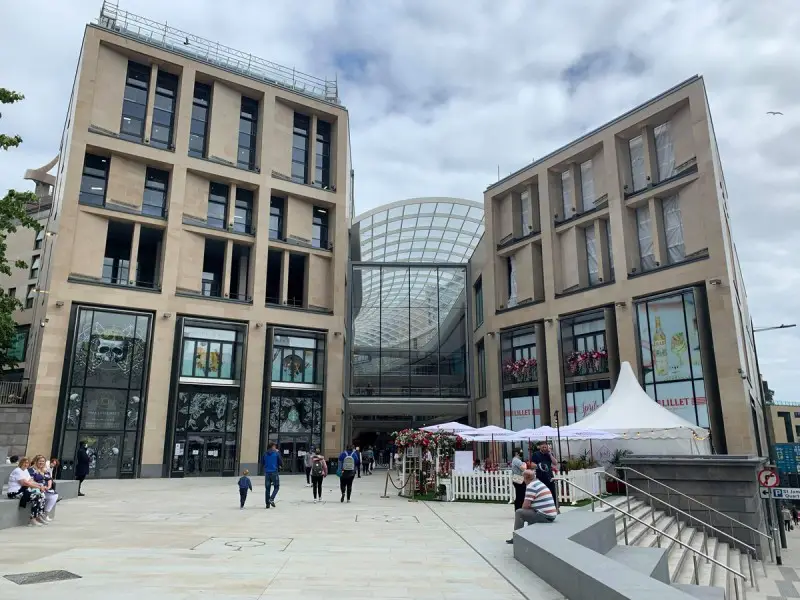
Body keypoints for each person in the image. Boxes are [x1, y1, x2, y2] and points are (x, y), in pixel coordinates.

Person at [506, 470, 557, 544]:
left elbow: (525, 506)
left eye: (524, 478)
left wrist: (526, 511)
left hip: (545, 516)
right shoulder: (538, 483)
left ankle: (516, 538)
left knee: (519, 513)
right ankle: (530, 536)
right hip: (550, 514)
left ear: (527, 478)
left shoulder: (531, 486)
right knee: (529, 513)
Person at [7, 457, 47, 526]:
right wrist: (39, 487)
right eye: (24, 462)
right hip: (14, 493)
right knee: (36, 496)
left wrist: (40, 486)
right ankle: (32, 519)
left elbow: (30, 480)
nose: (26, 464)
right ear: (21, 463)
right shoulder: (17, 471)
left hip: (23, 491)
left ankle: (38, 516)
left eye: (27, 463)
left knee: (41, 495)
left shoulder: (25, 471)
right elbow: (25, 483)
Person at [531, 442, 559, 512]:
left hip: (549, 477)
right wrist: (538, 466)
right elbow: (532, 464)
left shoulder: (549, 454)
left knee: (553, 493)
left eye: (545, 447)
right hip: (540, 477)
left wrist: (550, 454)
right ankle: (543, 508)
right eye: (543, 447)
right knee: (541, 494)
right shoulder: (536, 454)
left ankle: (555, 508)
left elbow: (555, 463)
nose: (544, 448)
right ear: (540, 447)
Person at [29, 455, 58, 520]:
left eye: (43, 461)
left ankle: (45, 514)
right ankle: (37, 516)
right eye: (39, 461)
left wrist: (49, 486)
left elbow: (49, 479)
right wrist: (40, 486)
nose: (41, 463)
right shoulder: (32, 470)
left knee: (54, 496)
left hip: (45, 489)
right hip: (36, 488)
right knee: (41, 496)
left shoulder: (45, 470)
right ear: (36, 461)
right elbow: (31, 480)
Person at [262, 443, 282, 508]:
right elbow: (280, 462)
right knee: (276, 487)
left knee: (267, 489)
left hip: (267, 473)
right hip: (274, 472)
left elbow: (262, 462)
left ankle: (267, 504)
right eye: (275, 446)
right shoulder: (276, 453)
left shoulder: (264, 454)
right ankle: (271, 499)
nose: (275, 448)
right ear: (272, 447)